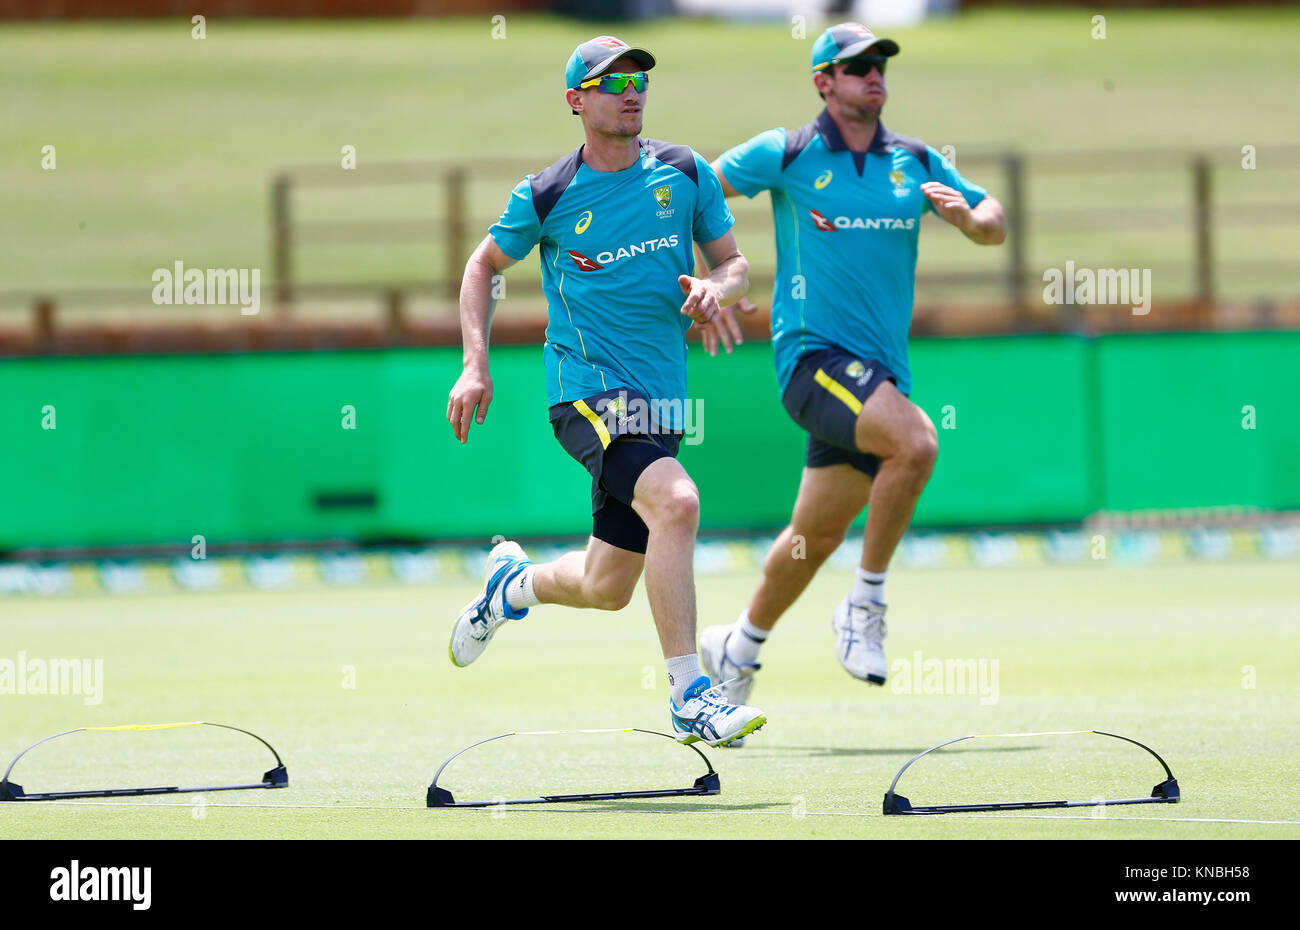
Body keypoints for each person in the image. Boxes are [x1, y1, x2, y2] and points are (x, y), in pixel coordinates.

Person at [445, 36, 766, 748]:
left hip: (662, 402)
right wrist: (475, 363)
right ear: (576, 100)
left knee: (606, 586)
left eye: (639, 79)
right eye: (611, 80)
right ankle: (690, 694)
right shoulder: (547, 193)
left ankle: (512, 587)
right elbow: (481, 267)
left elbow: (735, 263)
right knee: (677, 502)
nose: (632, 91)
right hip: (586, 393)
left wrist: (718, 289)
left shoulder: (684, 171)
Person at [699, 22, 1007, 731]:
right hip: (812, 359)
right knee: (918, 444)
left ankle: (736, 649)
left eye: (880, 64)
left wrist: (971, 222)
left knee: (813, 536)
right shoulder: (790, 152)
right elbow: (696, 189)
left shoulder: (916, 159)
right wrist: (716, 274)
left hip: (880, 375)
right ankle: (865, 606)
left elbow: (993, 218)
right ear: (823, 82)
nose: (874, 75)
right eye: (857, 66)